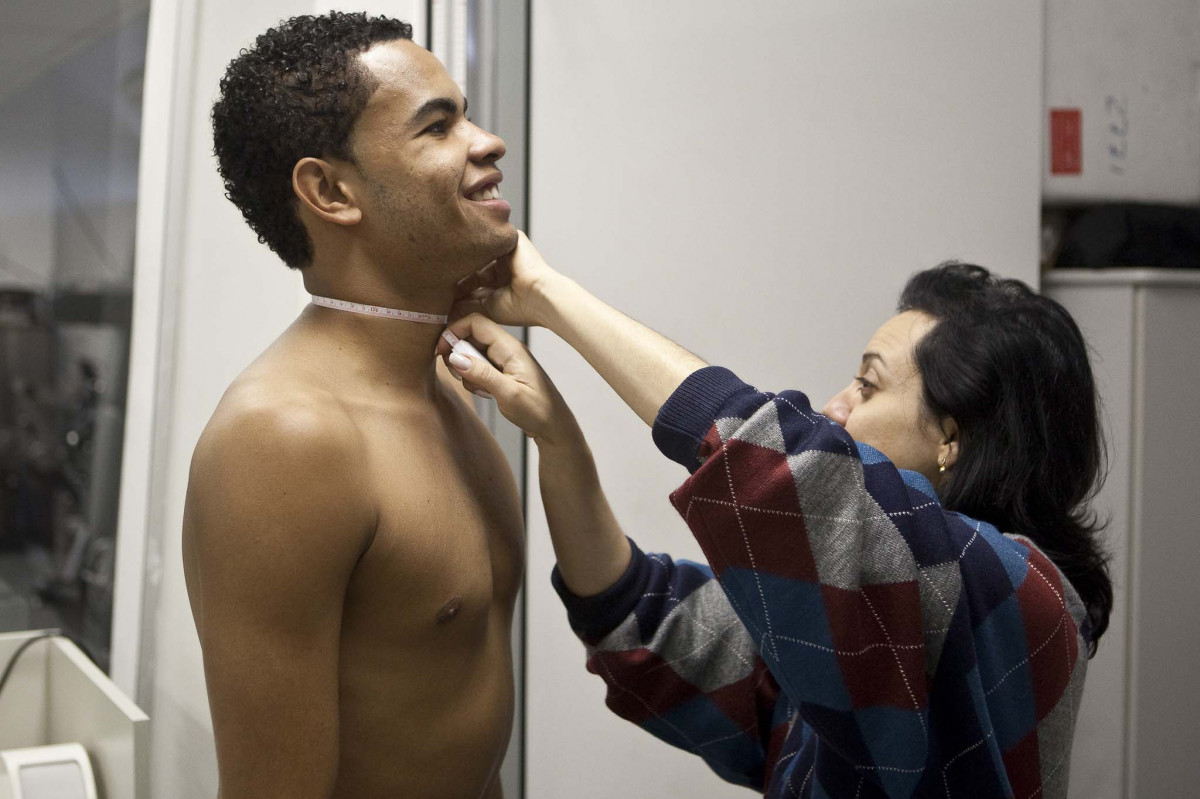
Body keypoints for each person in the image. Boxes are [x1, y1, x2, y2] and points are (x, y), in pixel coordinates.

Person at [438, 233, 1112, 798]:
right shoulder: (867, 621)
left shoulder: (1018, 597)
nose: (835, 406)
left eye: (868, 385)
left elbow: (782, 467)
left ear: (951, 438)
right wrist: (558, 442)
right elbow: (653, 628)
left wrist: (548, 294)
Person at [182, 13, 523, 799]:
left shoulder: (440, 385)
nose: (488, 142)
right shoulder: (285, 439)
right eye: (438, 126)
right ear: (332, 191)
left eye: (466, 115)